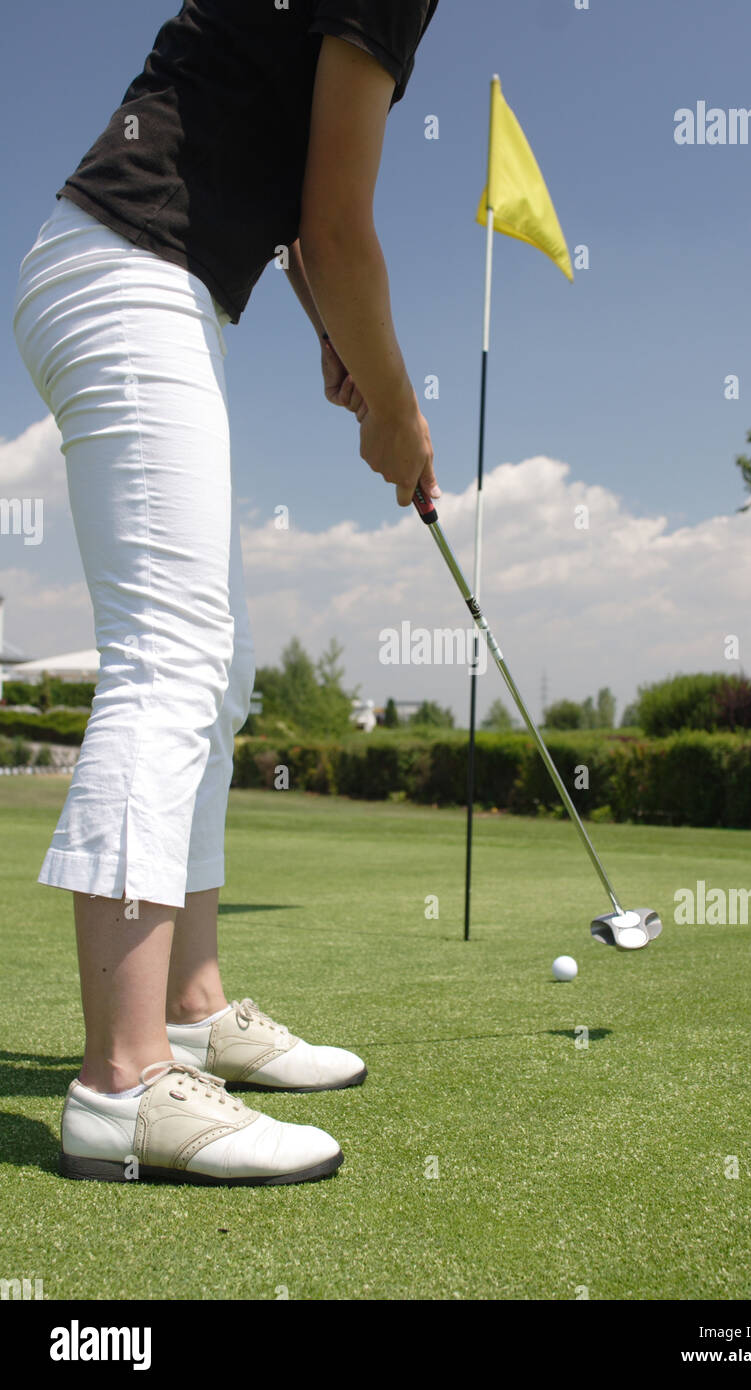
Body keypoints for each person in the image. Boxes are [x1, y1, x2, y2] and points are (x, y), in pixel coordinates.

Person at [12, 0, 440, 1187]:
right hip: (126, 268)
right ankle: (123, 1083)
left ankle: (191, 1012)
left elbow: (307, 231)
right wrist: (399, 417)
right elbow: (336, 229)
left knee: (219, 665)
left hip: (142, 277)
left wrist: (334, 330)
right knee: (171, 659)